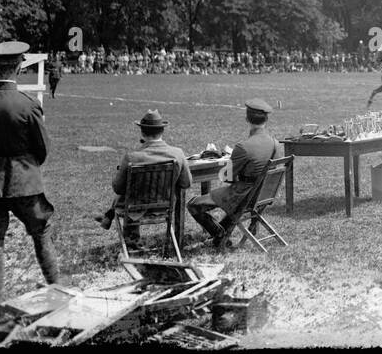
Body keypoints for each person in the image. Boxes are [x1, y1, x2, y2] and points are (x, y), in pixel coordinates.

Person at [0, 41, 61, 299]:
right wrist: (26, 164)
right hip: (25, 181)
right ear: (20, 67)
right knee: (41, 233)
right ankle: (57, 289)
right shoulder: (27, 104)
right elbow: (42, 149)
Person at [188, 99, 283, 248]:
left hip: (242, 197)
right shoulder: (275, 143)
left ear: (247, 119)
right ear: (266, 119)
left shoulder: (243, 147)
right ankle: (221, 235)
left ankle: (219, 234)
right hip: (261, 197)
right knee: (233, 209)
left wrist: (230, 162)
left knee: (193, 204)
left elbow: (227, 177)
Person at [97, 110, 192, 246]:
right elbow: (186, 183)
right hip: (164, 208)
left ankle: (130, 242)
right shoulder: (178, 154)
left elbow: (118, 188)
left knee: (127, 197)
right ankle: (110, 218)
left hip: (134, 209)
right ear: (162, 131)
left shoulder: (132, 157)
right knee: (130, 198)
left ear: (142, 132)